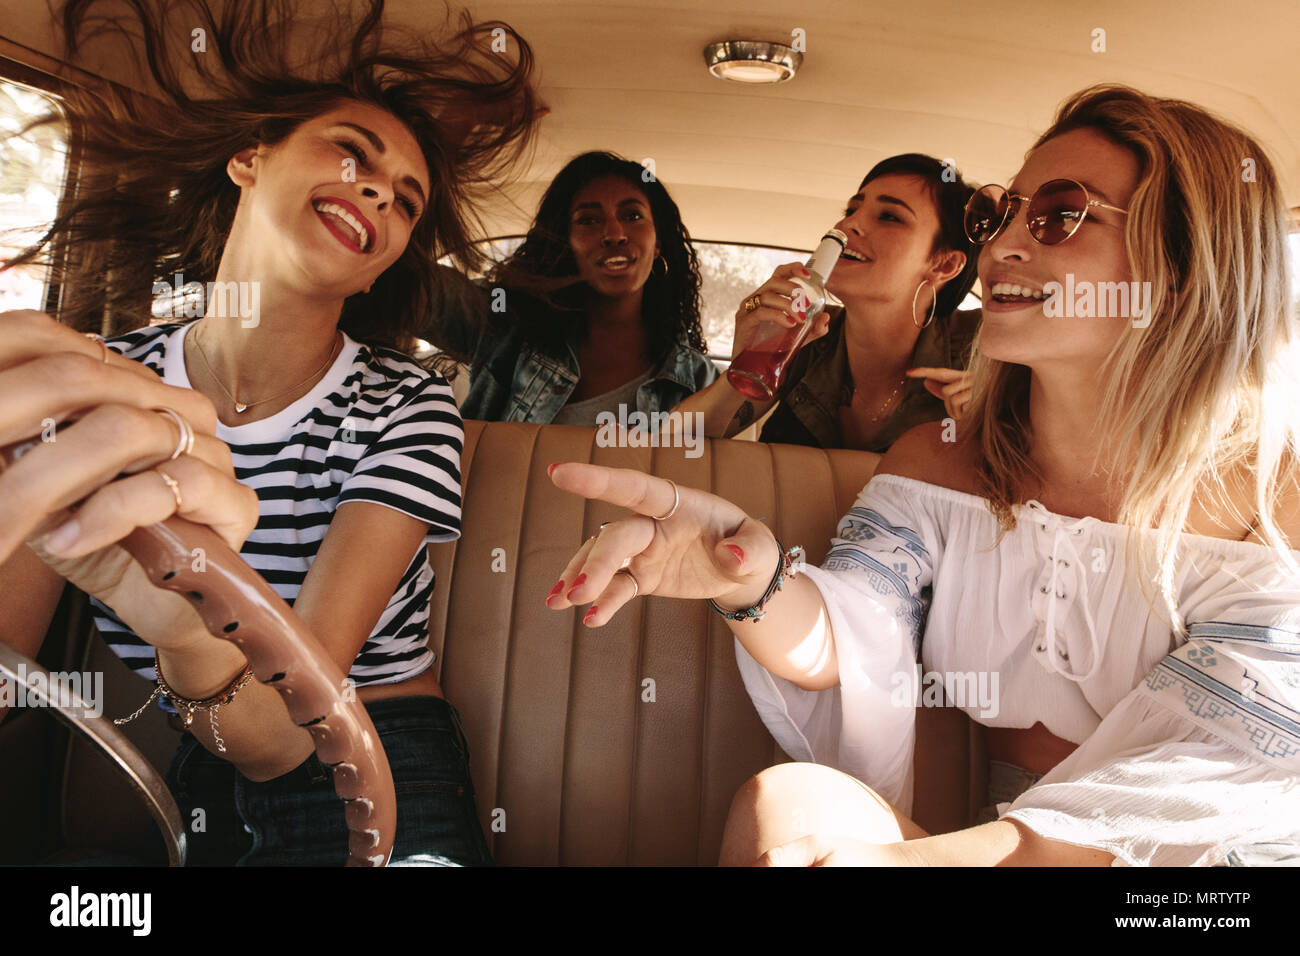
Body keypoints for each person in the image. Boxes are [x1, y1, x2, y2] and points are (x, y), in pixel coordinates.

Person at [543, 84, 1300, 866]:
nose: (1002, 245)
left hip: (1200, 873)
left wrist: (916, 863)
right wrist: (745, 574)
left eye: (1059, 214)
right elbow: (856, 631)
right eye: (1000, 214)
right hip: (989, 843)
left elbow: (1208, 777)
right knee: (787, 806)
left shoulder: (1277, 509)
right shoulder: (938, 464)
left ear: (1181, 264)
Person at [0, 0, 538, 865]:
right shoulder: (99, 381)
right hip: (198, 751)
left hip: (382, 743)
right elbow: (5, 662)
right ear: (250, 157)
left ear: (381, 266)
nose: (377, 192)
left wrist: (184, 629)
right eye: (352, 151)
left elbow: (297, 726)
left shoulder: (407, 404)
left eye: (403, 201)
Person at [672, 154, 981, 451]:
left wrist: (990, 426)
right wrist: (744, 367)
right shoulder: (805, 333)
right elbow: (673, 442)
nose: (847, 227)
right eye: (850, 211)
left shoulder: (984, 351)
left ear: (944, 265)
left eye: (889, 217)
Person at [426, 151, 718, 425]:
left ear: (658, 245)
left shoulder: (697, 378)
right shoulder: (506, 325)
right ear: (564, 245)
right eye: (588, 220)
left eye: (632, 216)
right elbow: (406, 289)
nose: (614, 234)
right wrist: (440, 155)